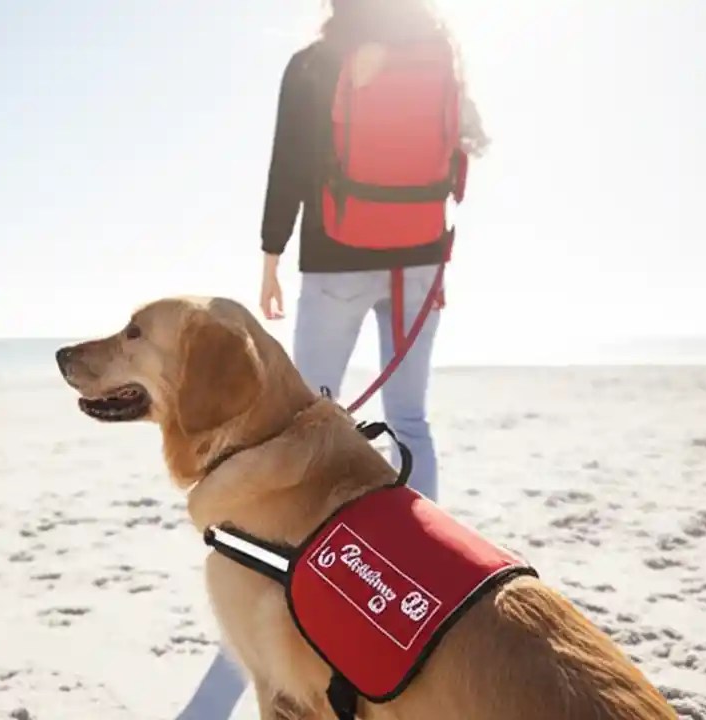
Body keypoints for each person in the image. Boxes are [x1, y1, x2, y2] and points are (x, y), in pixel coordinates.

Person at [176, 1, 488, 717]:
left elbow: (288, 160)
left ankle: (288, 565)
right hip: (419, 259)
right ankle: (417, 575)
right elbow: (460, 152)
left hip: (338, 254)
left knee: (301, 421)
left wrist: (269, 258)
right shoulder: (440, 52)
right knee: (409, 418)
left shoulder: (317, 60)